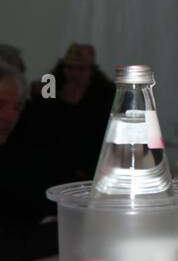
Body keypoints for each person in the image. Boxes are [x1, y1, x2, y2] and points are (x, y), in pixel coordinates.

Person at [19, 43, 115, 182]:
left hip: (90, 166)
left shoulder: (105, 93)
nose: (74, 73)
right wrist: (58, 101)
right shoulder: (50, 86)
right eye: (69, 68)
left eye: (80, 69)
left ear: (91, 71)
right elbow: (37, 123)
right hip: (52, 164)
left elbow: (104, 134)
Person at [0, 57, 61, 261]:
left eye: (17, 107)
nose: (10, 117)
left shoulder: (13, 152)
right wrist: (70, 228)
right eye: (0, 105)